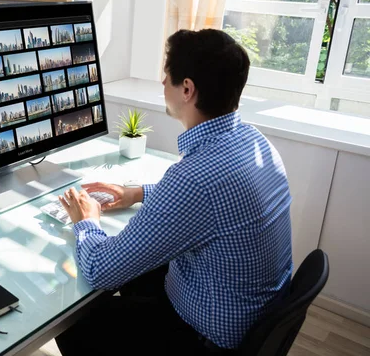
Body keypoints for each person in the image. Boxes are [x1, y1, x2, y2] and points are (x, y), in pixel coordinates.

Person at [55, 29, 293, 355]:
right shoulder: (254, 141)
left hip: (207, 340)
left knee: (73, 319)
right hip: (250, 317)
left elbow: (100, 270)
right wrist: (137, 193)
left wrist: (86, 221)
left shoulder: (194, 178)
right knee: (136, 272)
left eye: (165, 76)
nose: (161, 84)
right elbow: (211, 205)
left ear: (187, 89)